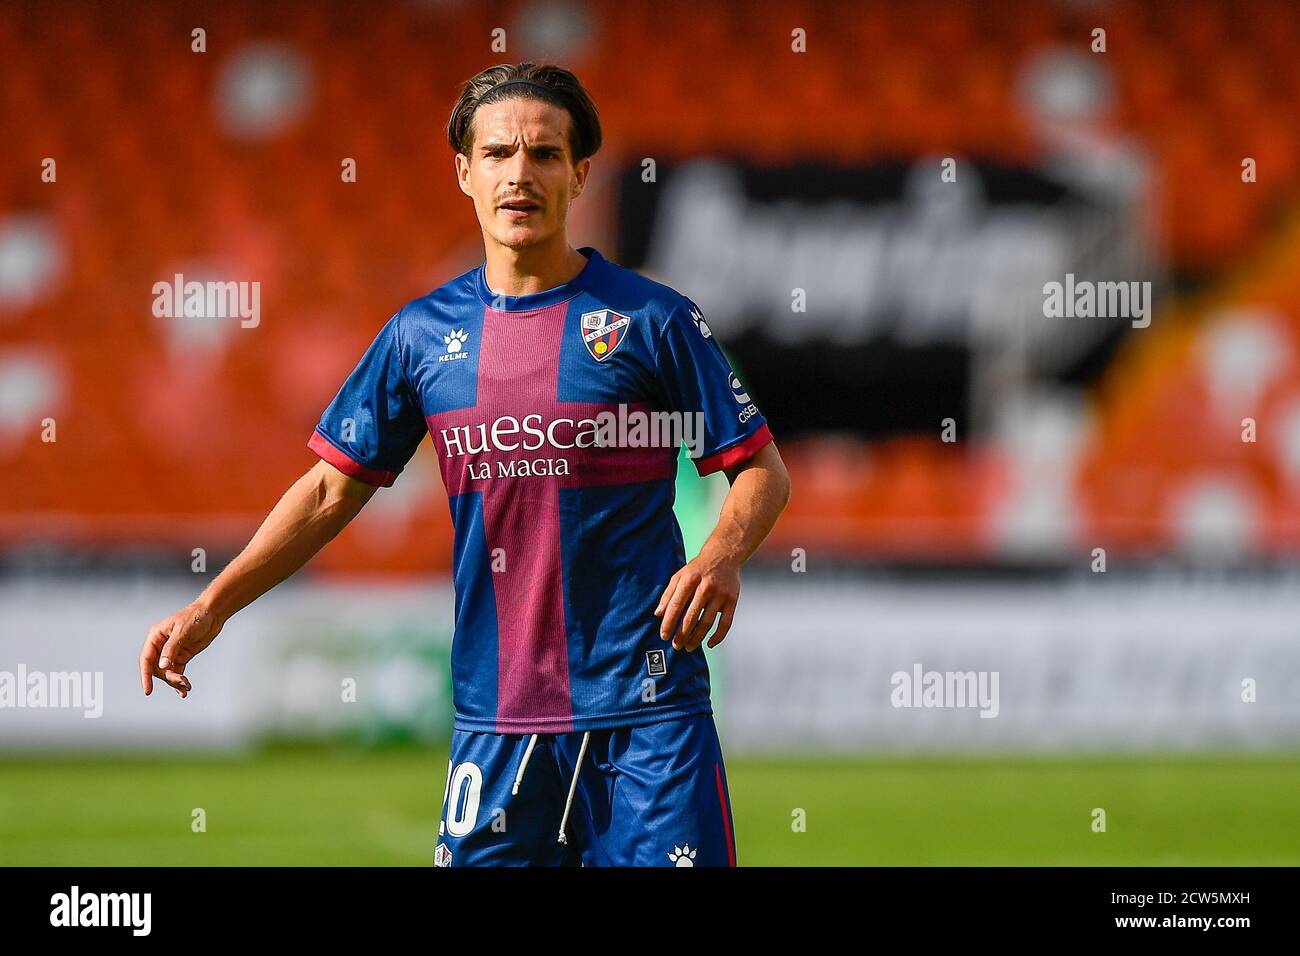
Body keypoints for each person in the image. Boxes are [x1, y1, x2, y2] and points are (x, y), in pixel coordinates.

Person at [139, 62, 791, 867]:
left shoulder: (652, 319)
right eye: (499, 153)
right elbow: (325, 492)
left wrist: (722, 555)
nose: (522, 173)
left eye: (546, 155)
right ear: (464, 172)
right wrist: (211, 608)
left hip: (649, 719)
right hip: (500, 722)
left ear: (579, 174)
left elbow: (760, 469)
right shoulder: (420, 336)